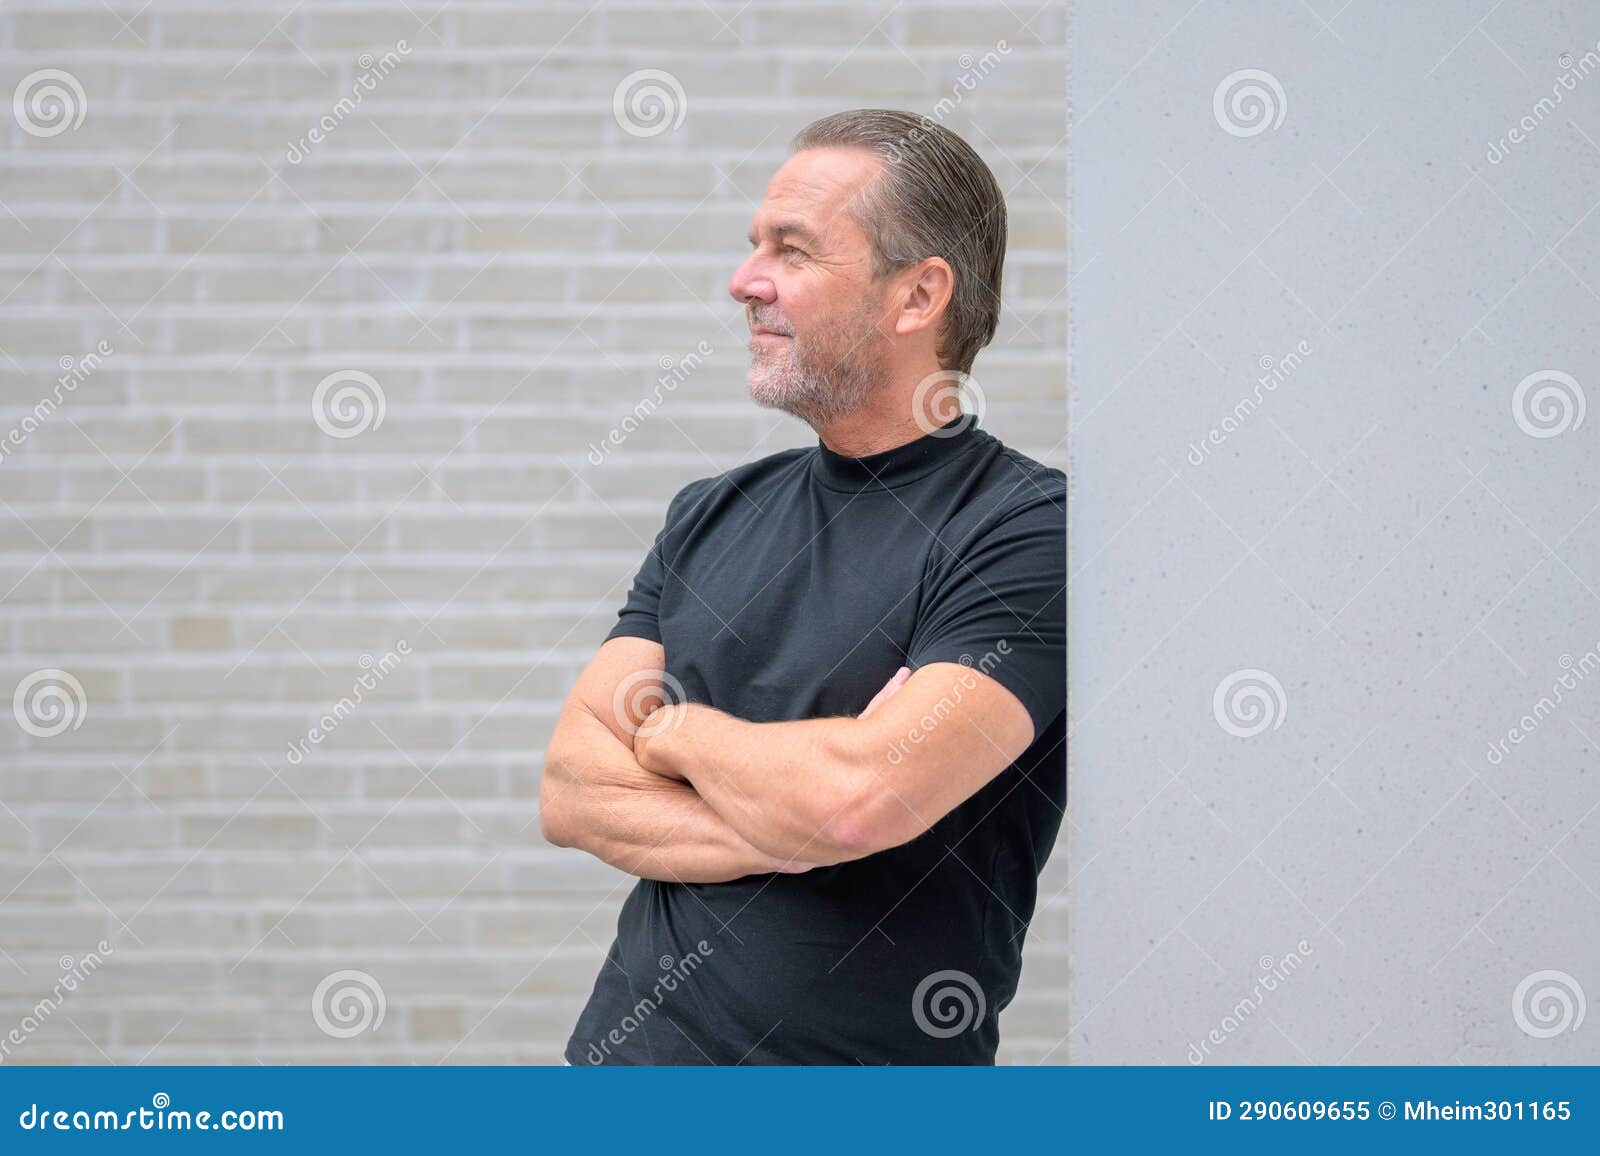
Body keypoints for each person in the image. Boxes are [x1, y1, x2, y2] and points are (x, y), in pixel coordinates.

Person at [541, 109, 1066, 1064]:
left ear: (917, 296)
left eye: (792, 250)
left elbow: (857, 803)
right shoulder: (709, 512)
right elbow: (573, 789)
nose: (744, 281)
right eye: (753, 246)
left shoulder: (1028, 530)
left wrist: (673, 731)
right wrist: (802, 815)